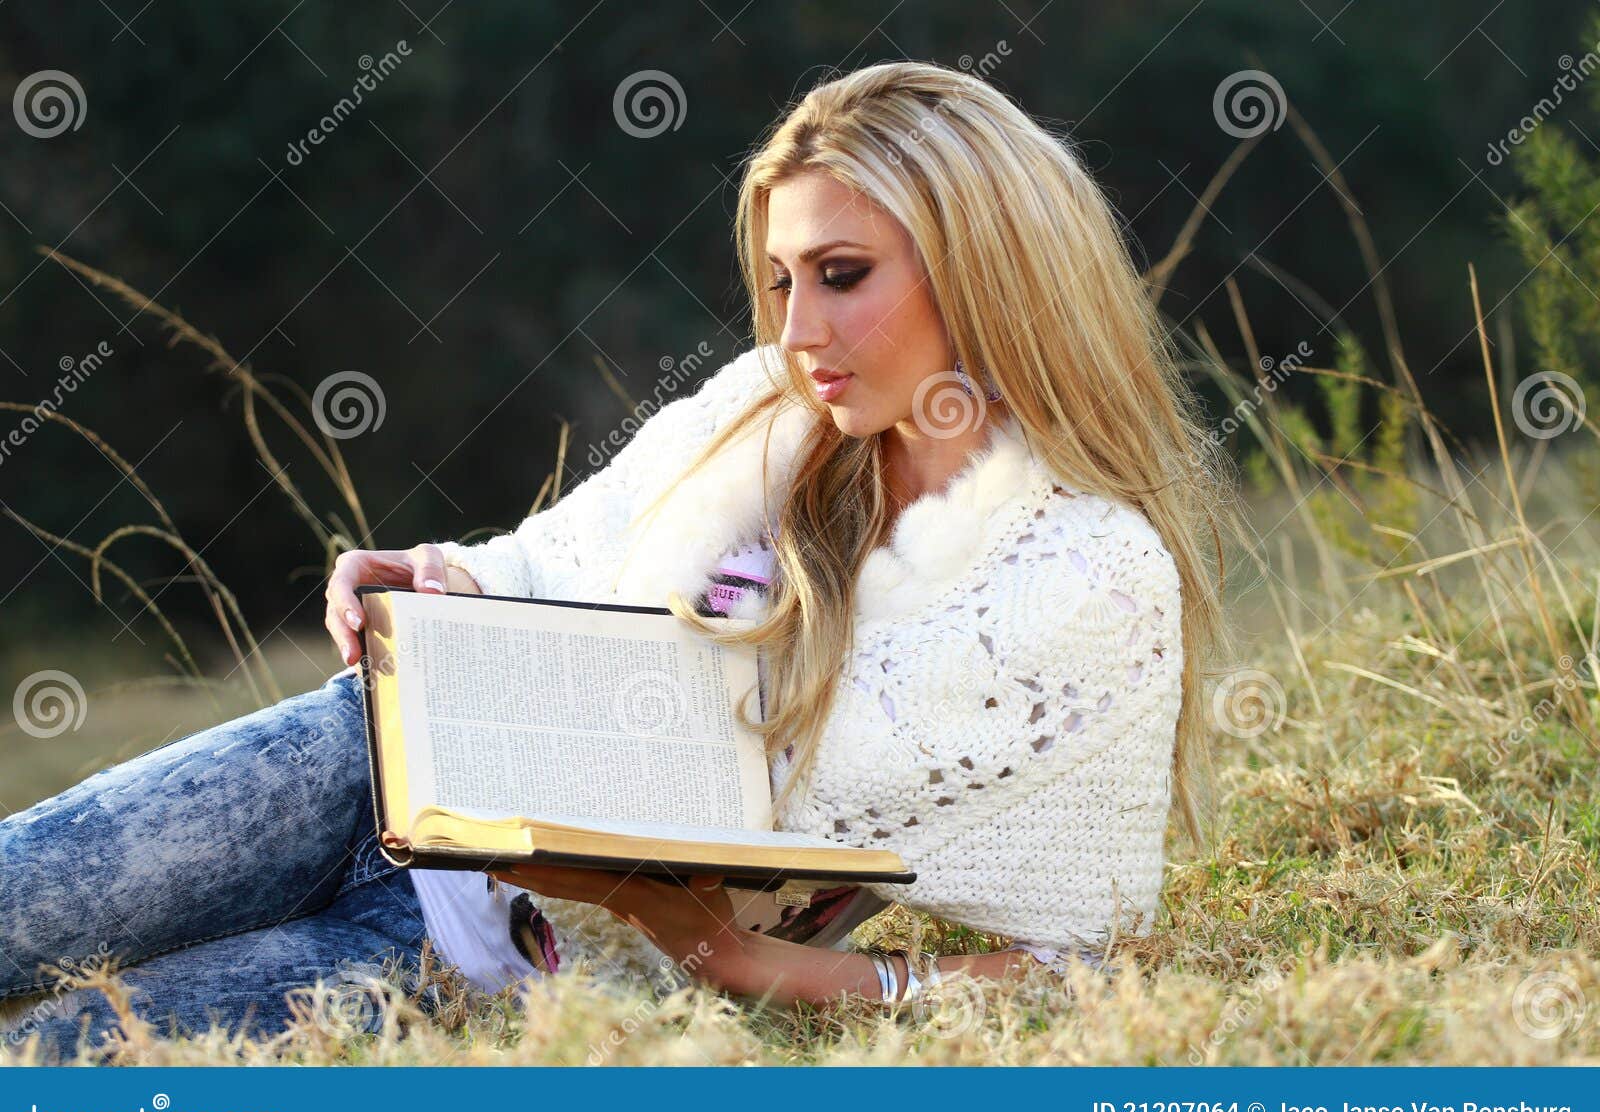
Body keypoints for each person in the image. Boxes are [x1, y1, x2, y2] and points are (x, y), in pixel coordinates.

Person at [0, 59, 1229, 1061]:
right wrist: (437, 579)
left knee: (50, 1059)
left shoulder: (1089, 572)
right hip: (367, 762)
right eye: (780, 280)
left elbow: (1072, 971)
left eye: (842, 277)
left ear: (985, 261)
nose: (798, 331)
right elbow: (546, 560)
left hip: (499, 954)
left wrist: (758, 965)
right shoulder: (761, 411)